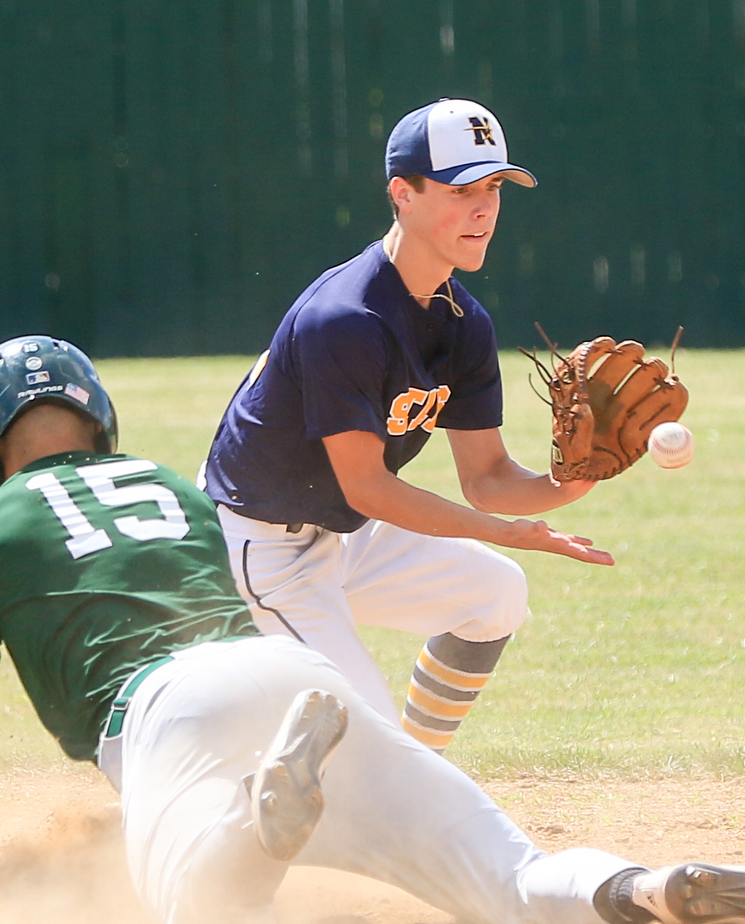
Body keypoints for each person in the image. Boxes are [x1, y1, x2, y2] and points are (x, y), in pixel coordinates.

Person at [0, 335, 745, 924]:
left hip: (165, 717)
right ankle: (647, 886)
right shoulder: (173, 487)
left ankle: (259, 821)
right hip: (294, 679)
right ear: (102, 422)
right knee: (512, 881)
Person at [202, 98, 610, 755]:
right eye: (461, 189)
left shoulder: (462, 321)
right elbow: (368, 488)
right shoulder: (346, 318)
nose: (484, 209)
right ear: (404, 194)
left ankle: (420, 769)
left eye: (494, 188)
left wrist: (574, 481)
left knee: (497, 593)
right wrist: (506, 531)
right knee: (370, 749)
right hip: (259, 547)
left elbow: (489, 478)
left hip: (341, 532)